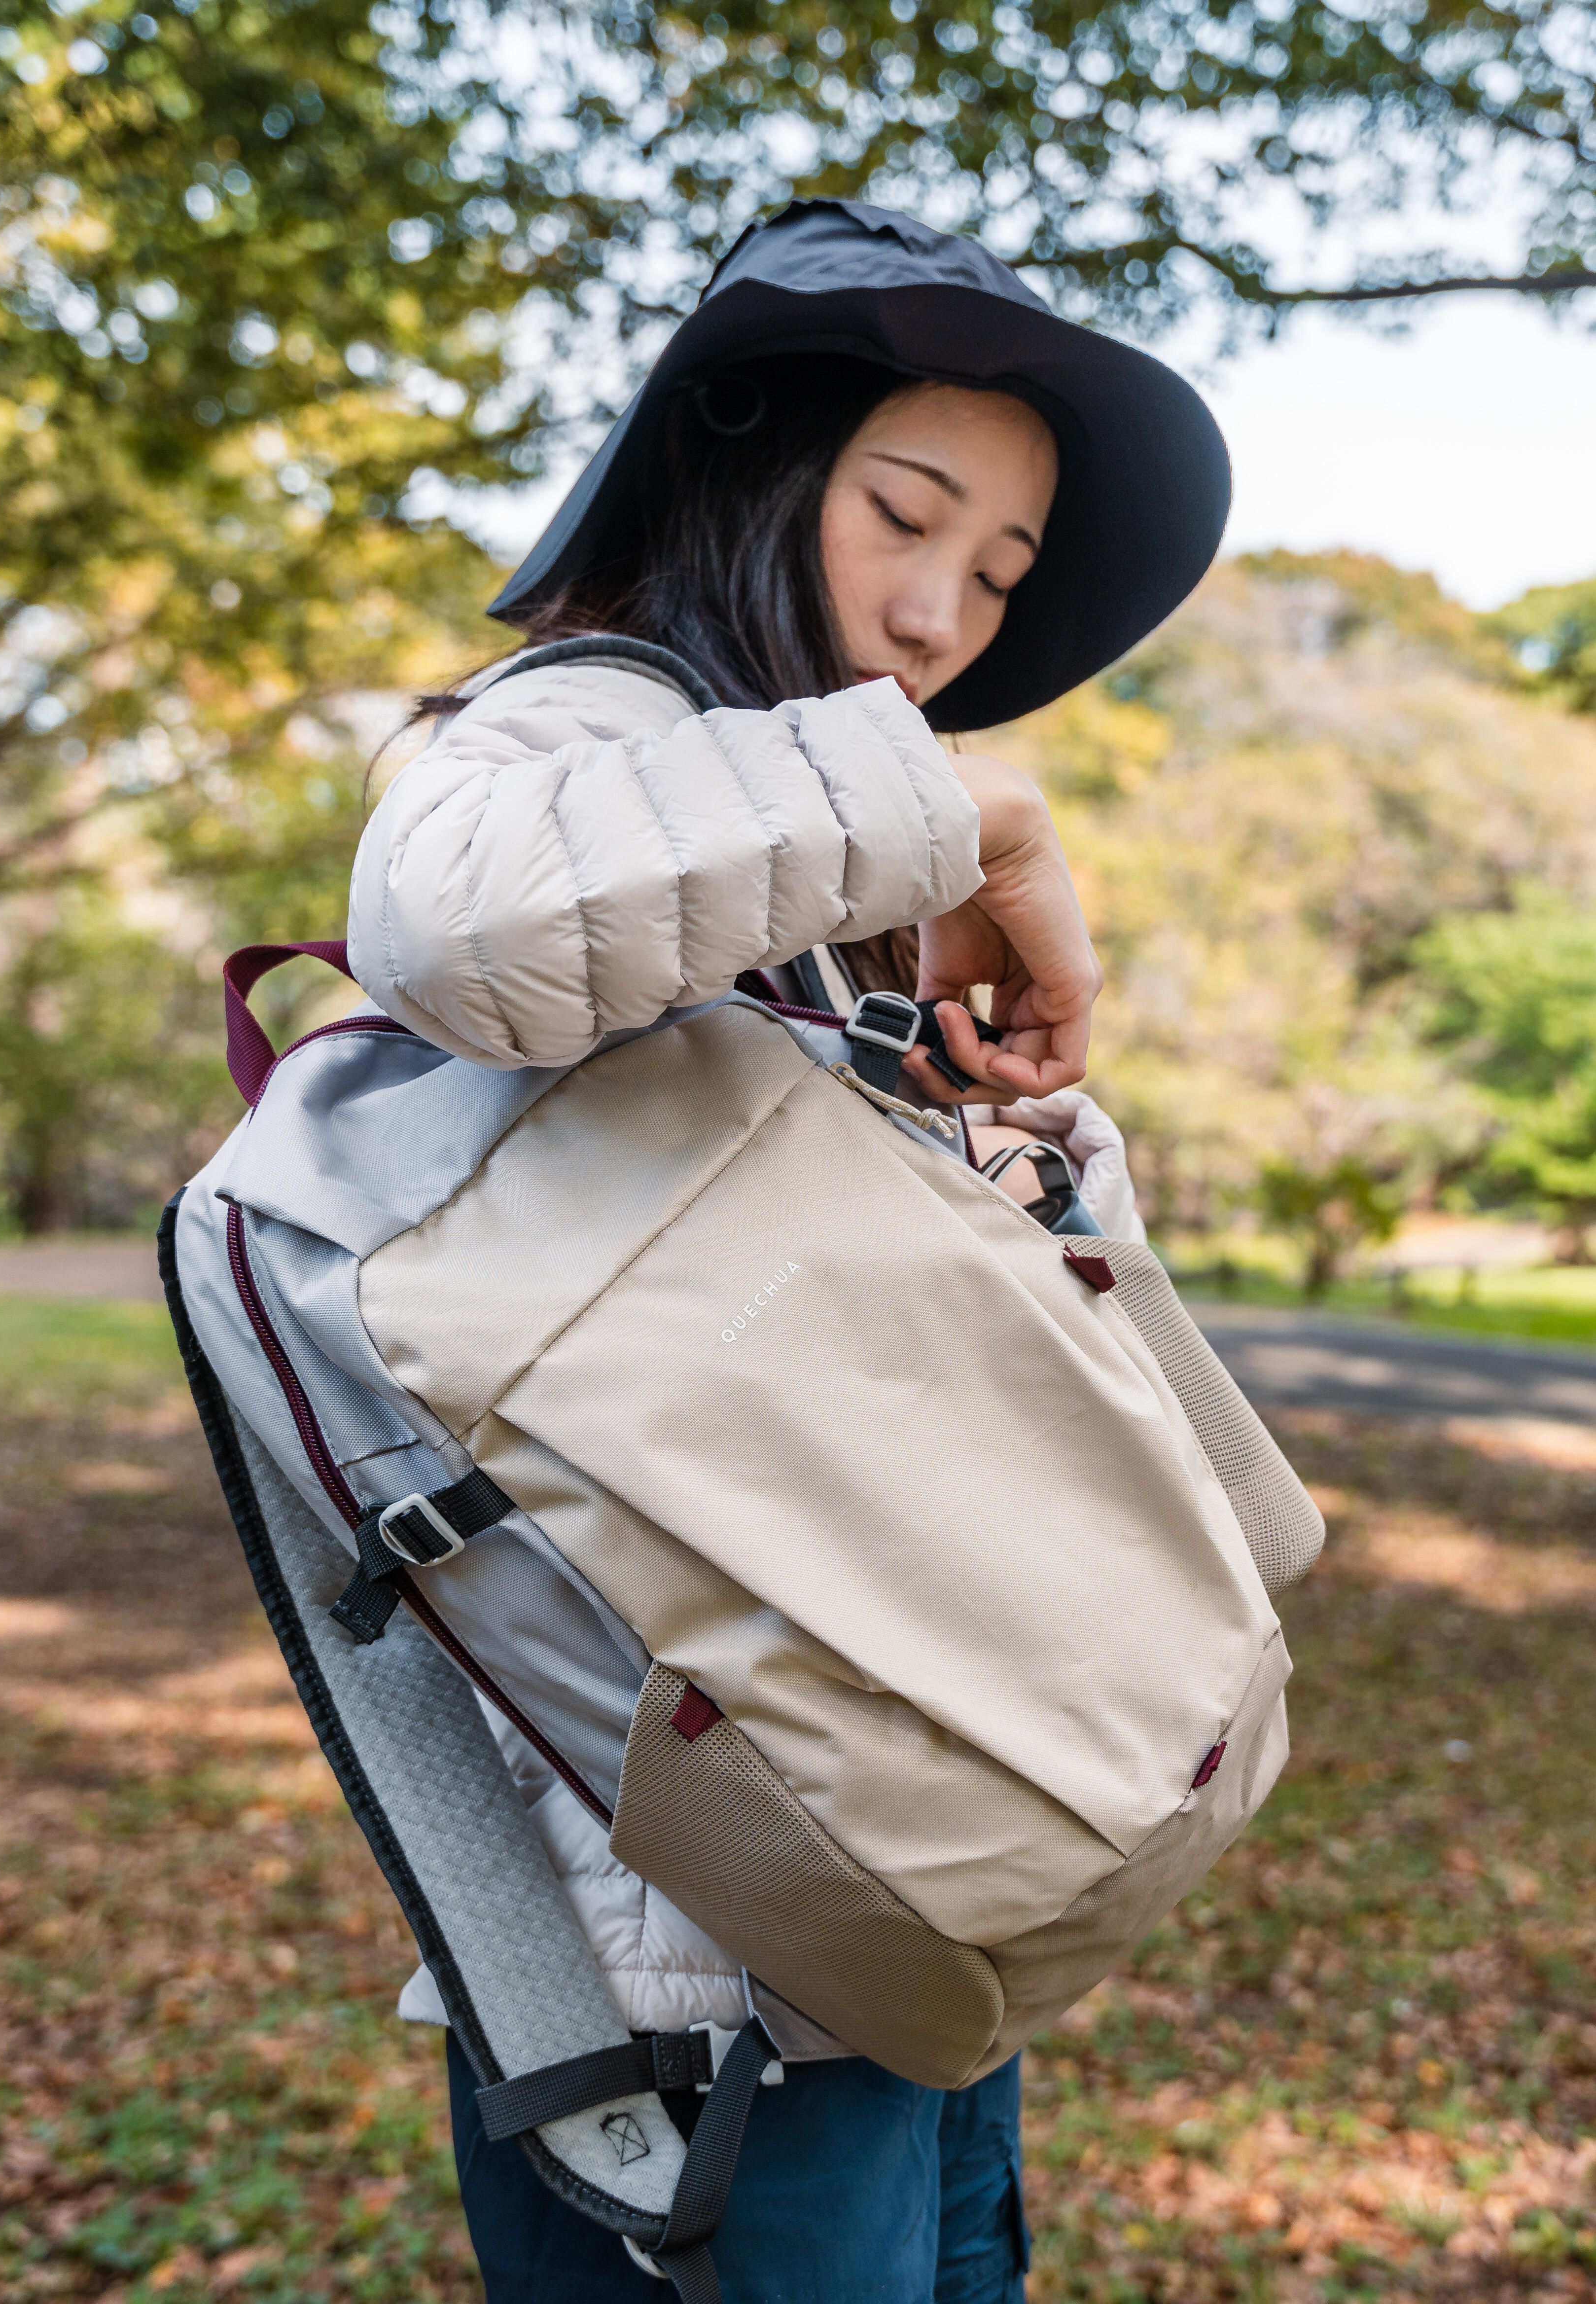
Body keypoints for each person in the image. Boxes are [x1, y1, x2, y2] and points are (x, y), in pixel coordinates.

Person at [344, 197, 1232, 2302]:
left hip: (904, 1894)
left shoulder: (795, 858)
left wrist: (1028, 1139)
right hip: (690, 1964)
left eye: (1000, 573)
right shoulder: (585, 737)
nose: (940, 610)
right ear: (756, 469)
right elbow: (449, 918)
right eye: (903, 516)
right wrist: (986, 823)